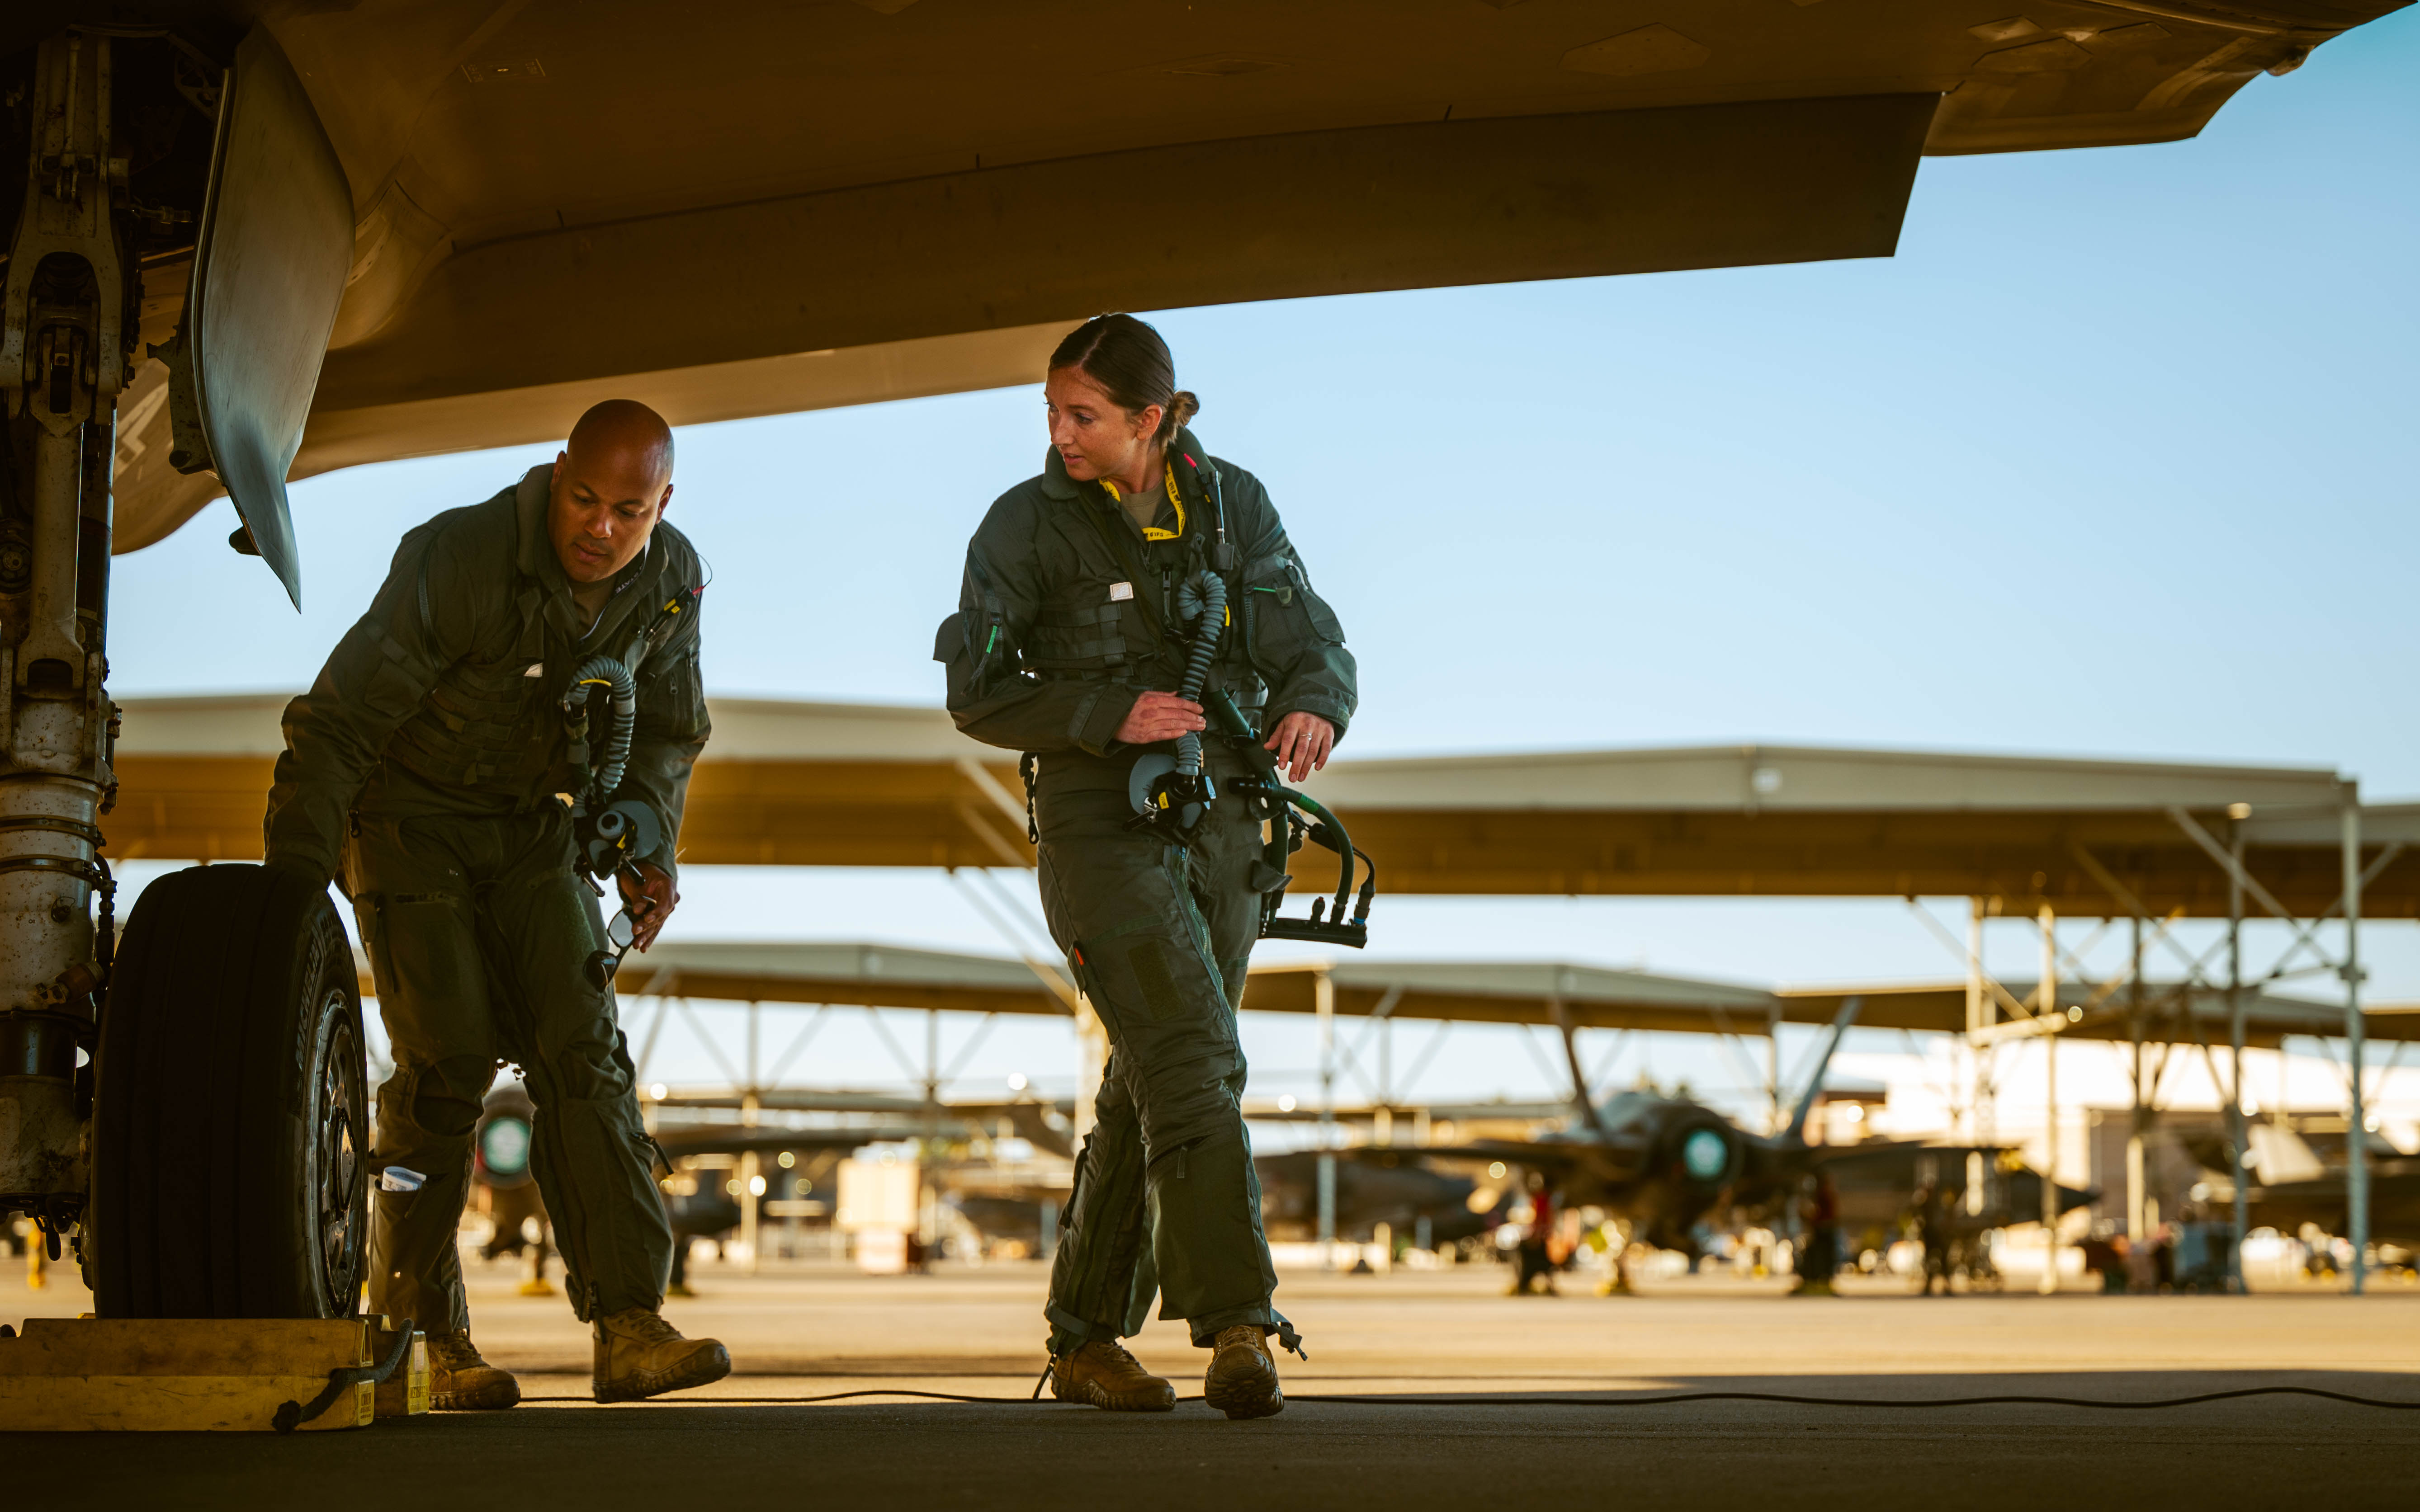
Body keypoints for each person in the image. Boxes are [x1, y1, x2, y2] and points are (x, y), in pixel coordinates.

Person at [264, 400, 728, 1410]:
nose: (599, 527)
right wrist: (290, 901)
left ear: (663, 506)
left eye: (628, 509)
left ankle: (630, 1321)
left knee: (585, 1046)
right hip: (408, 820)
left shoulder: (669, 581)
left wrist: (647, 846)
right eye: (584, 498)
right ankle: (425, 1332)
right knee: (451, 1063)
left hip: (531, 831)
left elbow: (666, 735)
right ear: (555, 474)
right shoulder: (460, 557)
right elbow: (335, 727)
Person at [936, 315, 1357, 1419]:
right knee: (1193, 1053)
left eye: (1083, 415)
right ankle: (1237, 1322)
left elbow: (1310, 633)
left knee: (1149, 1078)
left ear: (1152, 420)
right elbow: (977, 690)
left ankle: (1084, 1340)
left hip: (1224, 827)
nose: (1060, 434)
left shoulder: (1236, 506)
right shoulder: (1022, 526)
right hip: (1097, 822)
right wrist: (1104, 712)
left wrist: (1318, 698)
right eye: (1052, 412)